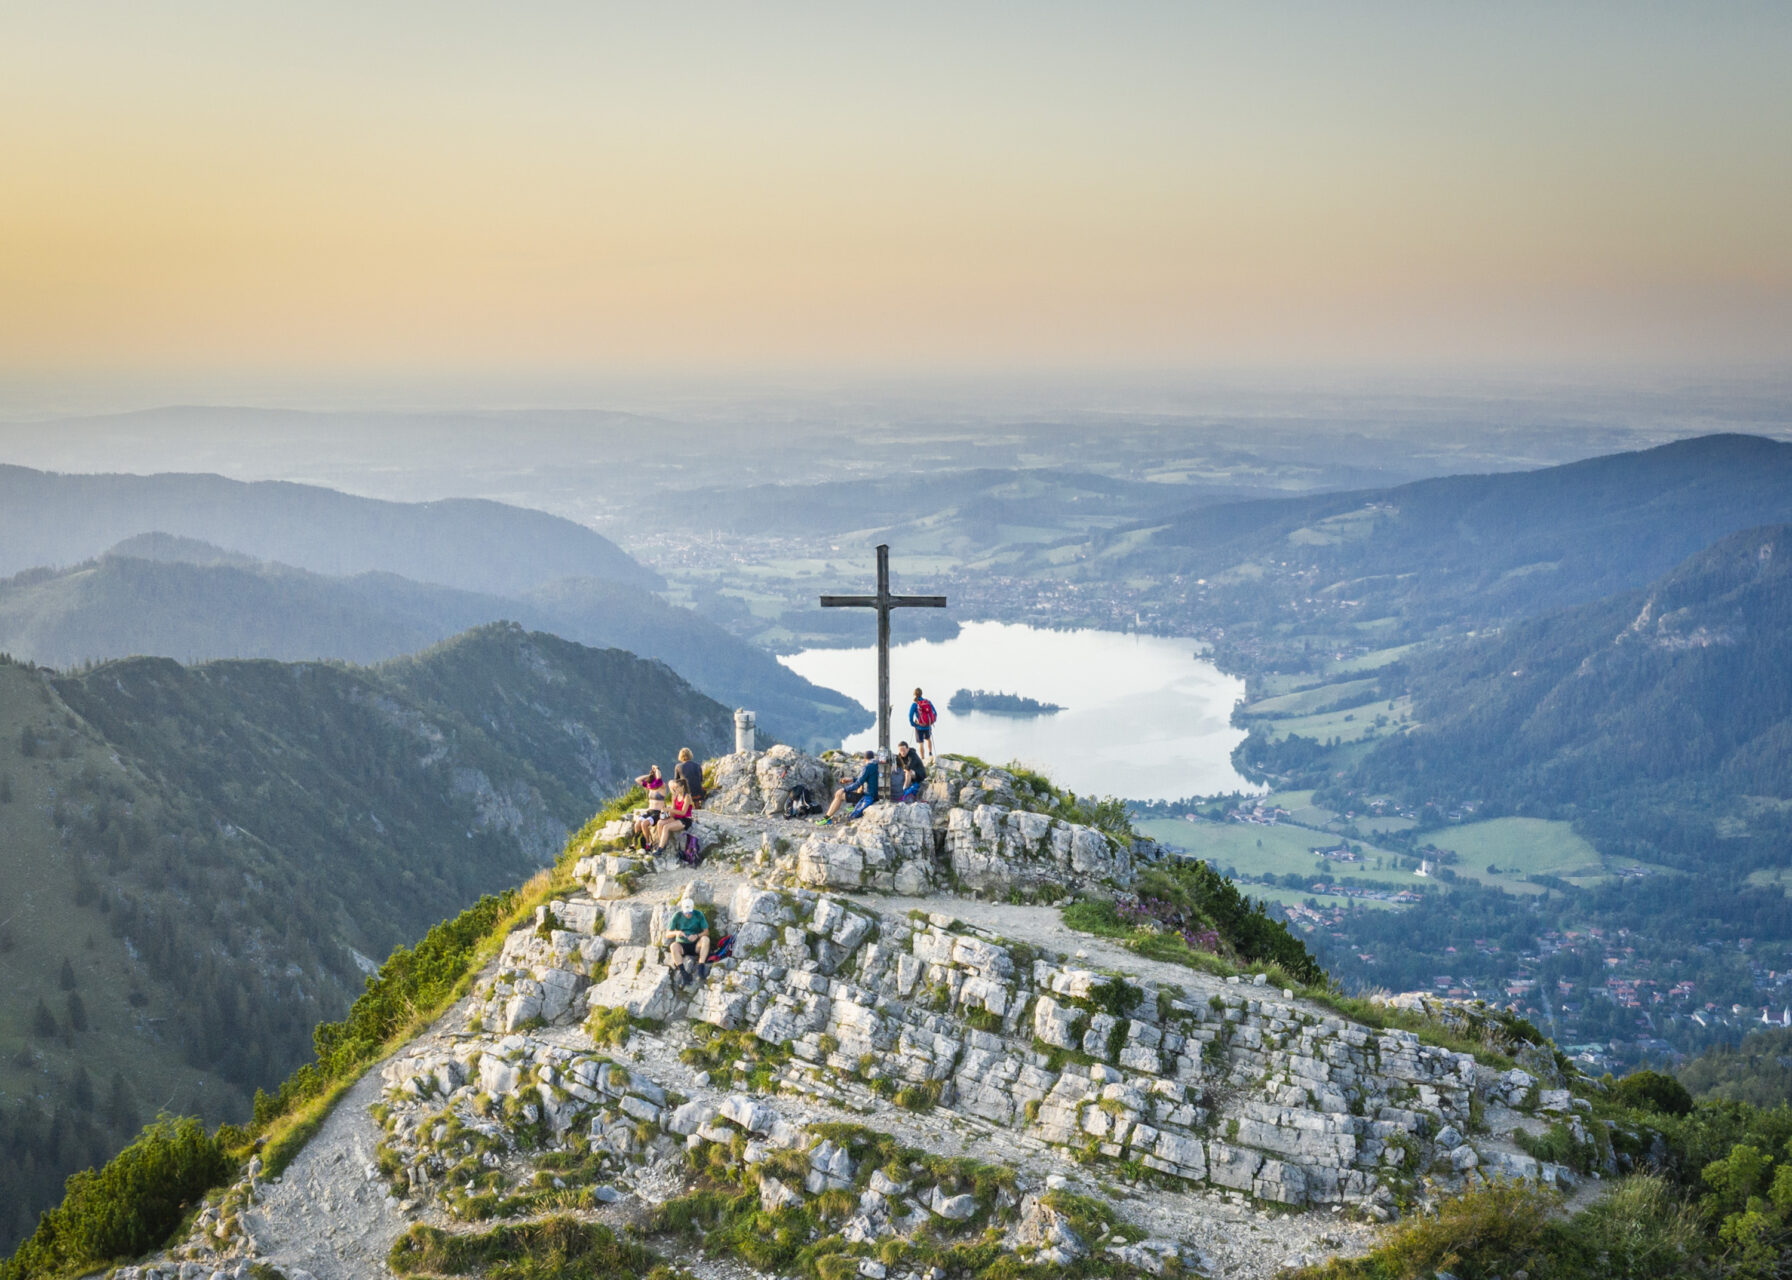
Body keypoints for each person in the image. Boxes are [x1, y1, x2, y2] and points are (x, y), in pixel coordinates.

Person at [818, 749, 879, 825]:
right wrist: (851, 779)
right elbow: (867, 779)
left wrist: (843, 789)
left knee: (839, 795)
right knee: (859, 787)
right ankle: (854, 805)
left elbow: (858, 783)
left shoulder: (868, 767)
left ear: (865, 759)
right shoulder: (876, 765)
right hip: (875, 795)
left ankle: (826, 818)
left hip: (869, 796)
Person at [663, 894, 710, 987]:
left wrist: (697, 935)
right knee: (673, 946)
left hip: (695, 944)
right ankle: (684, 973)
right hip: (682, 945)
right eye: (686, 913)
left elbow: (706, 932)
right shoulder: (677, 916)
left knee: (705, 939)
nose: (688, 914)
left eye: (690, 912)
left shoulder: (699, 914)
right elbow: (668, 934)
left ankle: (701, 967)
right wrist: (677, 933)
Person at [632, 765, 668, 850]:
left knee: (644, 824)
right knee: (638, 823)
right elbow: (637, 780)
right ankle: (635, 843)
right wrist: (649, 775)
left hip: (658, 812)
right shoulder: (650, 786)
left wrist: (657, 769)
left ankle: (648, 844)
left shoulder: (662, 786)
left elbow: (659, 778)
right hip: (650, 811)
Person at [655, 778, 696, 852]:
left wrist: (669, 809)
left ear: (682, 787)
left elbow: (683, 812)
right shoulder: (674, 796)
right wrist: (665, 814)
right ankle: (662, 843)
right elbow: (673, 810)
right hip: (676, 817)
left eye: (677, 787)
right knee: (660, 823)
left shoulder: (687, 797)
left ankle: (660, 849)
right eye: (674, 788)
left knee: (666, 827)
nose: (675, 789)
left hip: (685, 819)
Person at [908, 688, 938, 763]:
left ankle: (923, 759)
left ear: (914, 694)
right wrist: (931, 721)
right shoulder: (928, 702)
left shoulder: (915, 704)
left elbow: (910, 715)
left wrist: (913, 723)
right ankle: (930, 754)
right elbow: (935, 712)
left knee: (920, 743)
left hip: (919, 726)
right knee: (928, 739)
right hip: (927, 725)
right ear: (922, 693)